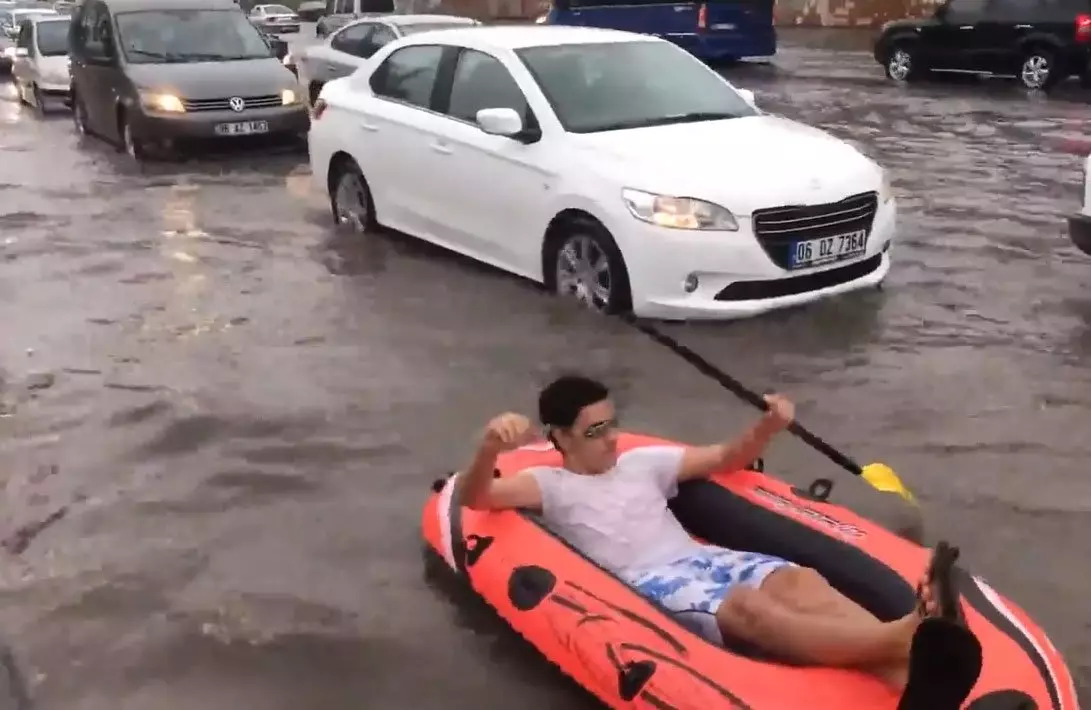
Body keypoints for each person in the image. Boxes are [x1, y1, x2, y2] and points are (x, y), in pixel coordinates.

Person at [459, 374, 962, 691]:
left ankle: (908, 674)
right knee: (750, 608)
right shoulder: (549, 485)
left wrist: (768, 426)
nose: (610, 437)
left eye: (612, 424)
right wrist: (488, 448)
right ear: (561, 436)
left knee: (800, 581)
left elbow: (724, 457)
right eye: (594, 431)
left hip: (701, 558)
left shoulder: (642, 462)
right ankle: (906, 638)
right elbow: (476, 498)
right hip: (651, 582)